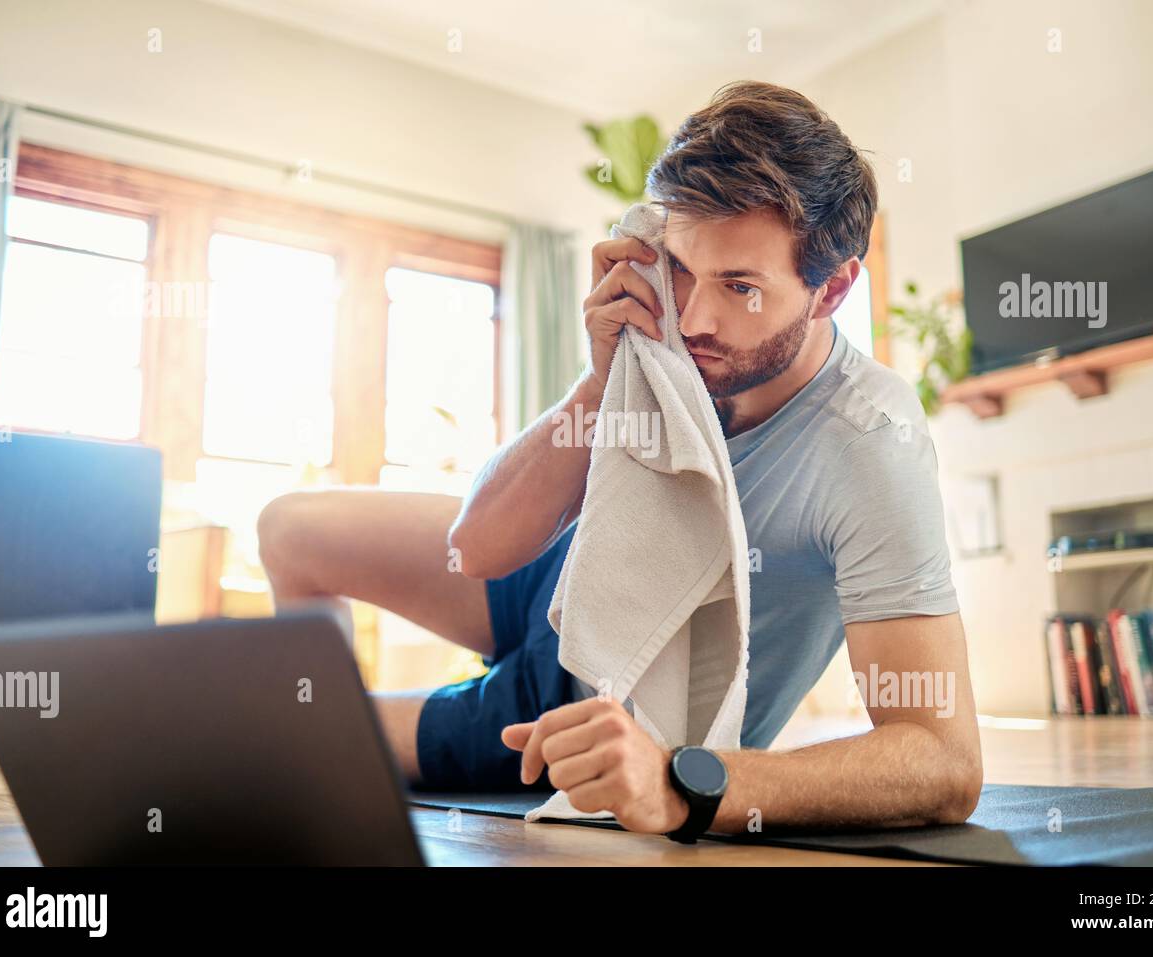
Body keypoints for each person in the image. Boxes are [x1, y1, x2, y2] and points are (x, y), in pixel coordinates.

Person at [258, 80, 982, 838]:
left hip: (585, 700)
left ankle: (326, 748)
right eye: (679, 267)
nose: (694, 318)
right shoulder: (661, 328)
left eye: (740, 286)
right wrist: (601, 379)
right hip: (569, 567)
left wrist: (681, 781)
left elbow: (943, 760)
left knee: (306, 734)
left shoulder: (870, 442)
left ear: (831, 289)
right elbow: (477, 549)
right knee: (288, 529)